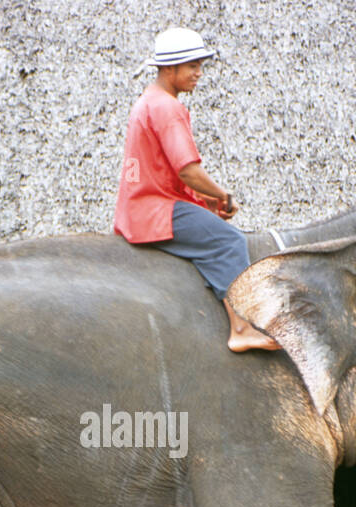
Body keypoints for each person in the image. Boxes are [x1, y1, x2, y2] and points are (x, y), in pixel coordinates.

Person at [114, 27, 278, 353]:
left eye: (200, 65)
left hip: (140, 207)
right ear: (169, 68)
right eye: (192, 66)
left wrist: (204, 202)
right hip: (156, 209)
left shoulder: (148, 101)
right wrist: (221, 195)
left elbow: (165, 172)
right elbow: (187, 170)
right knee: (229, 241)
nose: (198, 74)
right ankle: (242, 329)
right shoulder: (167, 108)